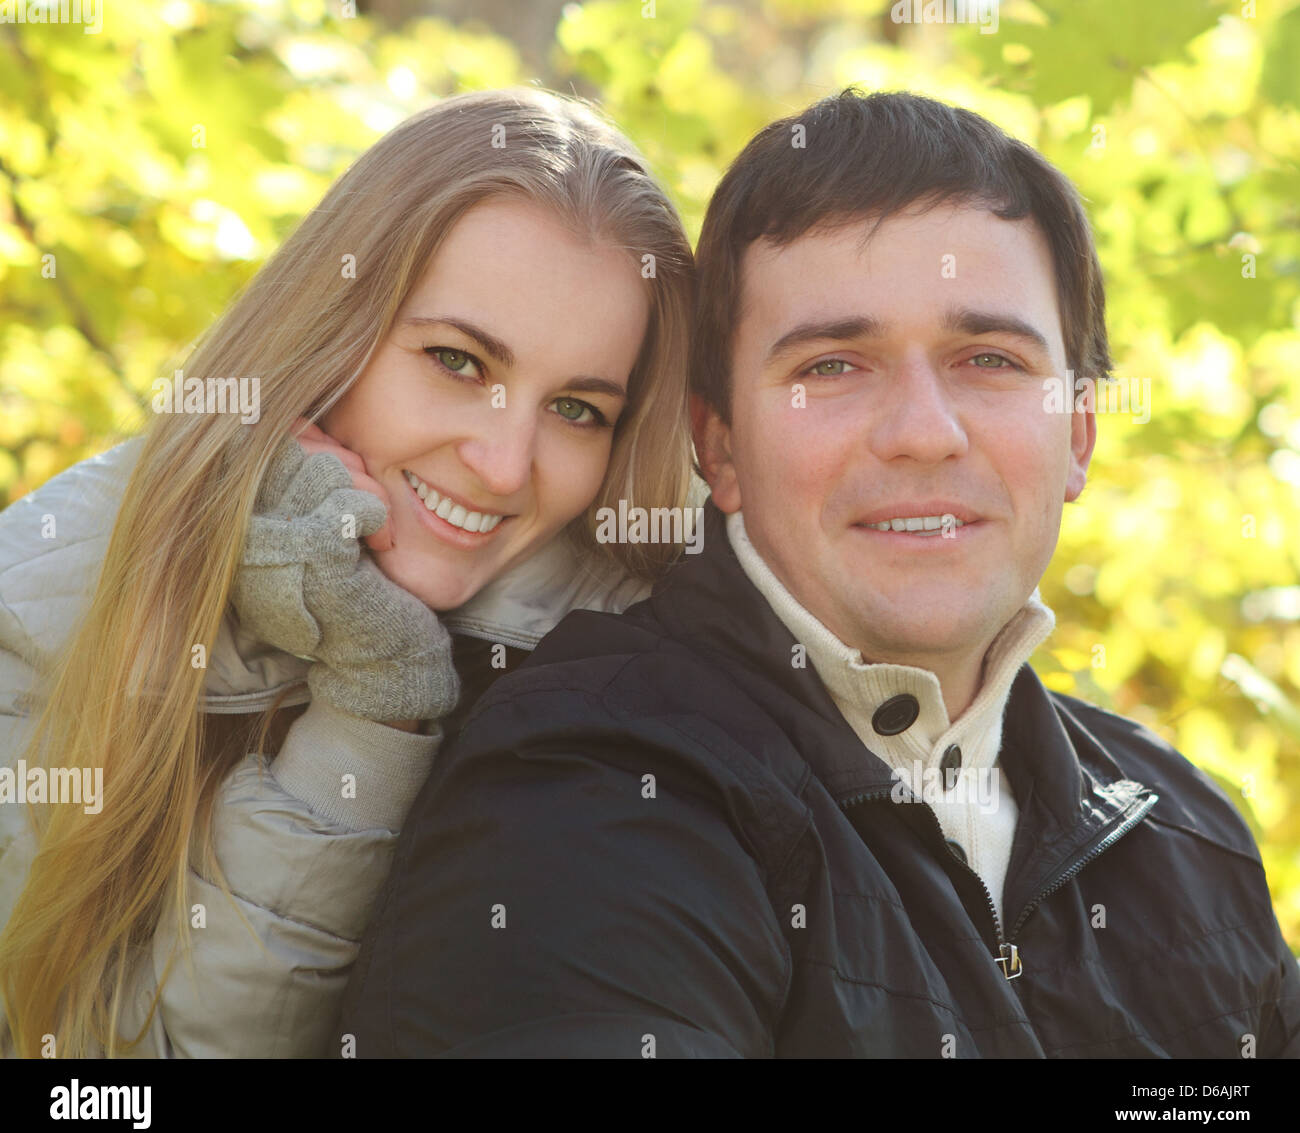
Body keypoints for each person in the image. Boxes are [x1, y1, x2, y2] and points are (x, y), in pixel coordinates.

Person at [340, 89, 1300, 1058]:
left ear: (1079, 433)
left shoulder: (1186, 833)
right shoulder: (589, 784)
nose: (924, 432)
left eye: (989, 360)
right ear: (717, 447)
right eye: (833, 367)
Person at [0, 87, 694, 1057]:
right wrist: (374, 708)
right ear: (331, 332)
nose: (503, 465)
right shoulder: (44, 602)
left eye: (576, 409)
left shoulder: (629, 652)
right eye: (456, 360)